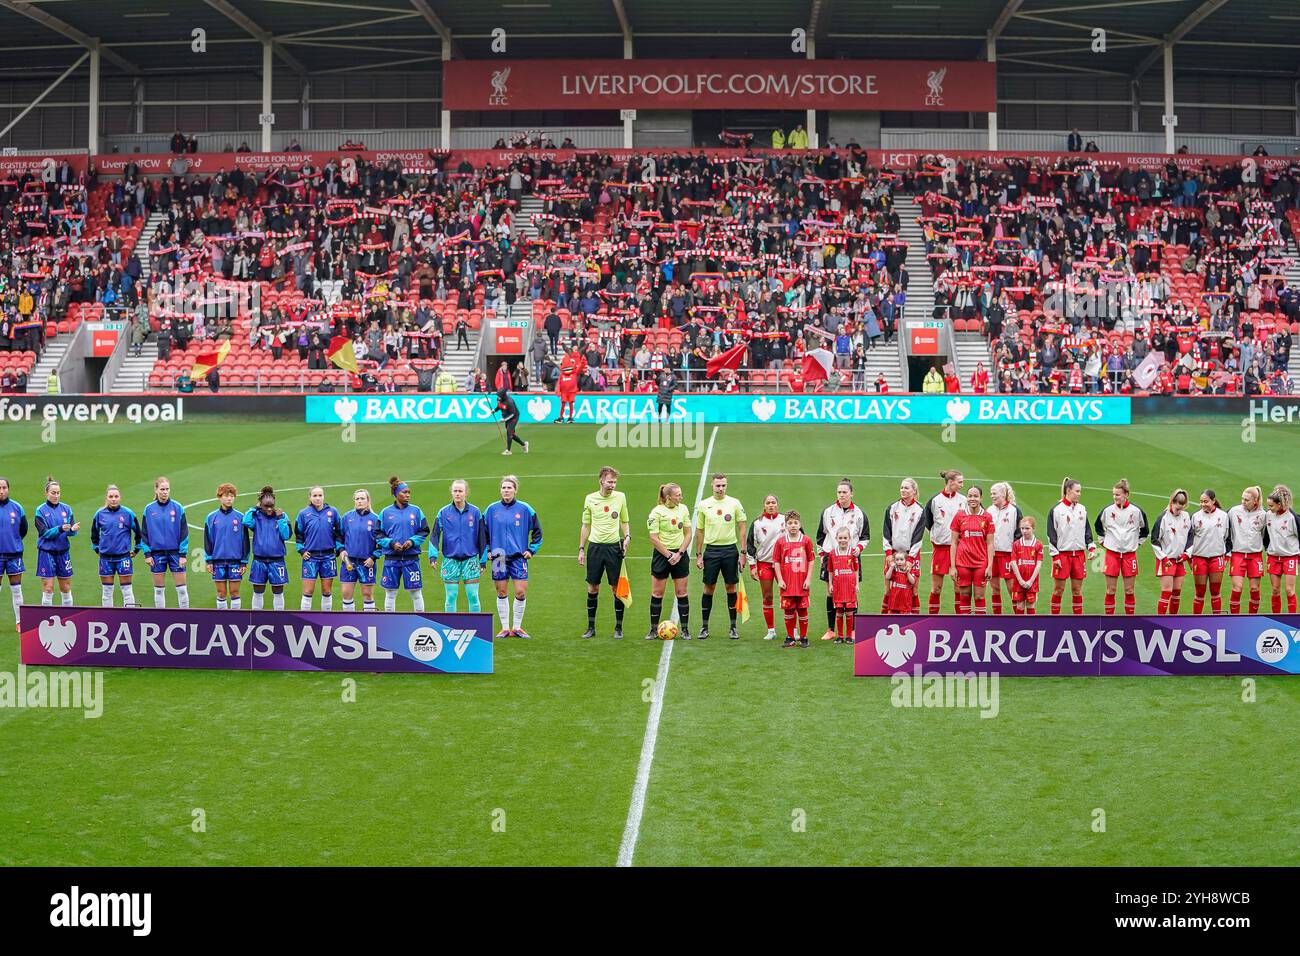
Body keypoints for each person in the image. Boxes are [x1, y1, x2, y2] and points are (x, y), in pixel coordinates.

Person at [484, 475, 543, 638]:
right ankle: (504, 628)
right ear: (500, 490)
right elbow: (483, 533)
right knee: (501, 591)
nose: (506, 490)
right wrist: (487, 550)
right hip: (498, 556)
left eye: (509, 487)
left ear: (515, 490)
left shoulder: (525, 509)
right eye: (504, 487)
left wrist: (531, 550)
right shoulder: (491, 509)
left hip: (518, 557)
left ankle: (517, 627)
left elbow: (538, 532)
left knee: (520, 592)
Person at [692, 472, 748, 640]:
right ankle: (704, 627)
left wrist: (743, 552)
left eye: (723, 485)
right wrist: (699, 554)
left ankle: (733, 627)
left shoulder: (734, 503)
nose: (721, 488)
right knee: (709, 588)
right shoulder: (704, 505)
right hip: (712, 551)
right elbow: (700, 530)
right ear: (712, 485)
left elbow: (742, 528)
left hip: (730, 550)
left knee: (731, 588)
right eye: (718, 485)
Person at [579, 466, 630, 640]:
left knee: (616, 588)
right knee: (593, 587)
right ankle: (591, 627)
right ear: (601, 480)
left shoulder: (620, 497)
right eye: (609, 482)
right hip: (595, 548)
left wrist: (627, 536)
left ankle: (618, 627)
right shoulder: (590, 499)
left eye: (614, 482)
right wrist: (581, 548)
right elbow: (585, 525)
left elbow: (624, 520)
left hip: (613, 548)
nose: (612, 485)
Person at [815, 479, 869, 640]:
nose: (841, 495)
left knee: (852, 593)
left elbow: (865, 537)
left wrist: (858, 549)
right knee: (831, 592)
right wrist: (822, 554)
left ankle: (853, 630)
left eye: (845, 492)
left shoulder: (859, 513)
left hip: (851, 559)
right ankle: (831, 630)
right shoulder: (828, 512)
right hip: (831, 557)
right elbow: (820, 535)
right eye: (839, 492)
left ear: (851, 493)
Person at [429, 479, 486, 614]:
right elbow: (435, 535)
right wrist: (433, 556)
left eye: (460, 491)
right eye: (455, 491)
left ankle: (475, 627)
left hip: (470, 560)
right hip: (450, 560)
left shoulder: (475, 512)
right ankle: (451, 627)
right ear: (451, 492)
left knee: (473, 596)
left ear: (466, 493)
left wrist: (483, 561)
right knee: (451, 596)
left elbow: (482, 537)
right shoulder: (443, 512)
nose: (457, 494)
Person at [646, 482, 693, 640]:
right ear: (668, 497)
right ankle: (653, 630)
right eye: (678, 495)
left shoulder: (684, 509)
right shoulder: (656, 512)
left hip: (680, 555)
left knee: (682, 592)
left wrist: (679, 553)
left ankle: (685, 630)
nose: (681, 497)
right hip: (662, 556)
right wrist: (668, 555)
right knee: (657, 593)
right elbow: (653, 538)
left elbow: (688, 533)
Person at [1095, 478, 1149, 616]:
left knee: (1129, 590)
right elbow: (1098, 526)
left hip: (1129, 555)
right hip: (1111, 555)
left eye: (1118, 494)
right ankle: (1109, 621)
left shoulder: (1136, 511)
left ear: (1126, 494)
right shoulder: (1107, 511)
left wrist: (1137, 543)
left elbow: (1145, 530)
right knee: (1110, 590)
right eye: (1113, 494)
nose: (1115, 497)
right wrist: (1103, 542)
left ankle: (1129, 621)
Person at [379, 476, 429, 613]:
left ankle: (420, 622)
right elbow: (378, 534)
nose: (408, 495)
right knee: (390, 593)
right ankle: (390, 622)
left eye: (409, 492)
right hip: (391, 559)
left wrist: (412, 541)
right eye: (404, 492)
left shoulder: (416, 511)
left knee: (416, 593)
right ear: (396, 494)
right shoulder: (385, 512)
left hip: (411, 559)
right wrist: (391, 544)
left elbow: (424, 530)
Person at [140, 476, 189, 608]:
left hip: (175, 554)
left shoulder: (178, 507)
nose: (165, 492)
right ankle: (160, 618)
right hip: (156, 554)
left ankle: (186, 616)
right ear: (156, 490)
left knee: (182, 589)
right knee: (159, 590)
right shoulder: (149, 509)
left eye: (167, 489)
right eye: (162, 489)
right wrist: (147, 554)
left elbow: (184, 532)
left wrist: (183, 554)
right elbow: (144, 533)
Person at [1047, 477, 1094, 615]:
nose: (1079, 494)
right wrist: (1055, 556)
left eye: (1080, 491)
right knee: (1059, 590)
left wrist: (1091, 547)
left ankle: (1078, 620)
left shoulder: (1082, 509)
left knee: (1077, 590)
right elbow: (1051, 534)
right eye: (1077, 491)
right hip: (1062, 556)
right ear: (1068, 491)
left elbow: (1087, 530)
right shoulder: (1056, 510)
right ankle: (1054, 619)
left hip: (1079, 555)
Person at [90, 484, 141, 608]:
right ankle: (108, 619)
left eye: (116, 496)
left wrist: (137, 549)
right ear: (106, 498)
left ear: (120, 498)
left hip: (123, 557)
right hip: (105, 559)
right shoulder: (99, 514)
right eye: (111, 496)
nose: (113, 499)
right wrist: (98, 550)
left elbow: (139, 532)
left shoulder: (128, 514)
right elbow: (94, 535)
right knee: (107, 592)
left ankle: (129, 618)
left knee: (127, 591)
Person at [924, 470, 966, 614]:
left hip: (959, 550)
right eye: (960, 482)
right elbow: (927, 523)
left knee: (959, 587)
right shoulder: (935, 501)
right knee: (936, 588)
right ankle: (932, 620)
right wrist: (939, 536)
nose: (962, 485)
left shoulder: (964, 500)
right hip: (940, 550)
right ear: (950, 482)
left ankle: (961, 620)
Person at [243, 486, 291, 610]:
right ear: (261, 505)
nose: (269, 509)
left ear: (274, 503)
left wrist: (280, 519)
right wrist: (254, 508)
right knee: (258, 590)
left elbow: (286, 535)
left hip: (277, 560)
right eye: (266, 506)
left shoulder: (282, 515)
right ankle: (256, 619)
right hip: (259, 560)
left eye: (271, 506)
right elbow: (246, 521)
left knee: (278, 590)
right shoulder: (256, 516)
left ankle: (278, 619)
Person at [295, 486, 342, 611]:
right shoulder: (303, 514)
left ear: (323, 496)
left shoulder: (333, 512)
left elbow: (339, 533)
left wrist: (339, 549)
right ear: (310, 497)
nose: (317, 498)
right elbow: (298, 535)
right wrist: (302, 550)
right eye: (314, 496)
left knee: (327, 591)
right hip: (311, 557)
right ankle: (304, 619)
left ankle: (326, 619)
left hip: (328, 556)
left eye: (320, 495)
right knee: (308, 591)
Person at [881, 478, 925, 613]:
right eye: (902, 487)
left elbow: (918, 537)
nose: (903, 490)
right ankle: (883, 618)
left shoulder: (919, 510)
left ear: (914, 490)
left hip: (910, 555)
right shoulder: (892, 508)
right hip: (894, 554)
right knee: (889, 588)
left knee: (913, 589)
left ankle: (914, 619)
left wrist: (911, 559)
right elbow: (886, 531)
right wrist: (888, 553)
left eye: (906, 488)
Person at [204, 482, 249, 611]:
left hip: (235, 561)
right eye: (226, 496)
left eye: (232, 496)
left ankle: (235, 619)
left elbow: (245, 541)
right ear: (219, 497)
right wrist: (209, 560)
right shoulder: (211, 517)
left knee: (235, 592)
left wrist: (244, 562)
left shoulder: (241, 517)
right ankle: (222, 619)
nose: (229, 499)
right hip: (217, 561)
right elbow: (208, 540)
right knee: (221, 593)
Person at [949, 486, 995, 615]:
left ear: (981, 498)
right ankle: (964, 626)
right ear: (967, 498)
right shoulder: (959, 515)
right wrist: (952, 567)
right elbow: (953, 542)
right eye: (970, 496)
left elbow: (990, 543)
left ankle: (979, 627)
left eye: (975, 496)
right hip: (962, 563)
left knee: (979, 596)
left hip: (980, 563)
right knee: (964, 594)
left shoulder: (987, 517)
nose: (972, 499)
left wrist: (990, 566)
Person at [773, 510, 815, 647]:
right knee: (788, 610)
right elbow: (777, 562)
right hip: (787, 583)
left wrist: (808, 579)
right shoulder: (780, 542)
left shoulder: (806, 540)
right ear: (785, 525)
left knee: (802, 609)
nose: (793, 525)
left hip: (802, 582)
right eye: (790, 523)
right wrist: (780, 579)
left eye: (795, 523)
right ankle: (790, 636)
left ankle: (803, 637)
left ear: (800, 524)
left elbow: (811, 560)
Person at [746, 494, 785, 640]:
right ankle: (771, 630)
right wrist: (752, 566)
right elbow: (750, 545)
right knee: (767, 596)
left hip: (783, 565)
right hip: (765, 563)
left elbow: (799, 537)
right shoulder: (757, 523)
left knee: (789, 596)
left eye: (773, 502)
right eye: (768, 502)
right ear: (764, 505)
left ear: (777, 505)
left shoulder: (785, 520)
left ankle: (793, 630)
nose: (771, 505)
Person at [35, 477, 78, 607]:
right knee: (48, 588)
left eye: (58, 493)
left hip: (63, 552)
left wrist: (73, 530)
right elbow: (44, 533)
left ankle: (68, 618)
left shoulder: (67, 509)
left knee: (65, 587)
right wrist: (60, 529)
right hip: (46, 552)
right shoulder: (40, 511)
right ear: (46, 493)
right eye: (53, 493)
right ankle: (47, 621)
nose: (56, 495)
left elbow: (71, 531)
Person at [338, 489, 381, 612]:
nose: (360, 501)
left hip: (367, 563)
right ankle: (348, 622)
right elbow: (339, 536)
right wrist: (341, 550)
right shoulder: (347, 517)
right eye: (357, 499)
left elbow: (382, 543)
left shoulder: (375, 519)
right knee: (346, 593)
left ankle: (368, 623)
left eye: (362, 498)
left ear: (368, 501)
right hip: (348, 562)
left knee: (367, 594)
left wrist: (373, 557)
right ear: (354, 501)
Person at [1150, 489, 1192, 615]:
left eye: (1181, 508)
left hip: (1180, 560)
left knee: (1177, 592)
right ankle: (1161, 620)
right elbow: (1154, 540)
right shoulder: (1163, 518)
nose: (1178, 511)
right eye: (1176, 507)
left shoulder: (1186, 517)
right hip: (1167, 561)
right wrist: (1163, 558)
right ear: (1172, 502)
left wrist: (1187, 554)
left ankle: (1174, 620)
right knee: (1166, 592)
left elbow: (1191, 537)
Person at [1227, 485, 1267, 615]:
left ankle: (1252, 618)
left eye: (1247, 500)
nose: (1243, 502)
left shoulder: (1263, 515)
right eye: (1242, 498)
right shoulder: (1233, 511)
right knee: (1237, 588)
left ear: (1255, 500)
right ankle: (1234, 619)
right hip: (1238, 555)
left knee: (1255, 588)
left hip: (1255, 556)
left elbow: (1266, 535)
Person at [1188, 489, 1230, 614]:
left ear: (1213, 501)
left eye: (1206, 501)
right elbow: (1189, 539)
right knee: (1199, 593)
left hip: (1216, 558)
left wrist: (1226, 557)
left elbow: (1227, 537)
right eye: (1201, 502)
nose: (1203, 504)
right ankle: (1197, 621)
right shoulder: (1195, 517)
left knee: (1215, 592)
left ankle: (1217, 620)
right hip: (1199, 558)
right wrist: (1190, 559)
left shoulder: (1223, 516)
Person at [986, 482, 1023, 615]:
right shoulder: (989, 510)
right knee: (995, 588)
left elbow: (1019, 534)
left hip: (1008, 555)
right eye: (991, 493)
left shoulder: (1014, 510)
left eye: (994, 493)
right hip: (992, 555)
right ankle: (997, 618)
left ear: (1003, 494)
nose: (991, 496)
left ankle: (1018, 617)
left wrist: (1016, 555)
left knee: (1012, 588)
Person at [1265, 484, 1299, 614]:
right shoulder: (1268, 515)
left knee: (1289, 590)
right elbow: (1265, 534)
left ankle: (1293, 619)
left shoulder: (1292, 518)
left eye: (1271, 506)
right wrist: (1267, 547)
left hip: (1290, 557)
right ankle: (1277, 618)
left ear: (1280, 504)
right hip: (1273, 557)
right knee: (1275, 590)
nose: (1269, 508)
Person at [0, 477, 29, 629]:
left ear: (8, 489)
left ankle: (19, 622)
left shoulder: (17, 508)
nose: (1, 491)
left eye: (4, 487)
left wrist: (13, 542)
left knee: (16, 589)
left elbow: (23, 530)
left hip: (14, 555)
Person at [826, 527, 862, 644]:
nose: (843, 540)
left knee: (850, 612)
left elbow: (856, 570)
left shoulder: (853, 553)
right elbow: (830, 571)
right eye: (840, 538)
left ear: (849, 539)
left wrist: (857, 584)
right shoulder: (832, 554)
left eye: (845, 538)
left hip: (850, 587)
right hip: (838, 587)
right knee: (839, 611)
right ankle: (840, 636)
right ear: (836, 538)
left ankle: (849, 636)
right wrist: (830, 584)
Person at [1010, 516, 1043, 614]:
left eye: (1027, 528)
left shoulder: (1038, 544)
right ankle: (1019, 626)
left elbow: (1038, 564)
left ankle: (1031, 627)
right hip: (1019, 581)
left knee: (1030, 604)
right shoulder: (1016, 544)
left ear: (1033, 529)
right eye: (1022, 528)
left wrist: (1030, 581)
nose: (1024, 531)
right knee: (1019, 604)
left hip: (1032, 581)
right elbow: (1013, 562)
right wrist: (1020, 581)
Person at [495, 387, 529, 456]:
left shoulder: (509, 402)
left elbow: (512, 414)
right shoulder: (499, 399)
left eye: (499, 395)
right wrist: (494, 410)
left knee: (509, 432)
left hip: (513, 417)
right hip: (507, 416)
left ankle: (508, 450)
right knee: (512, 434)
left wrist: (504, 419)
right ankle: (524, 444)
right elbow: (499, 406)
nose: (498, 397)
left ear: (503, 395)